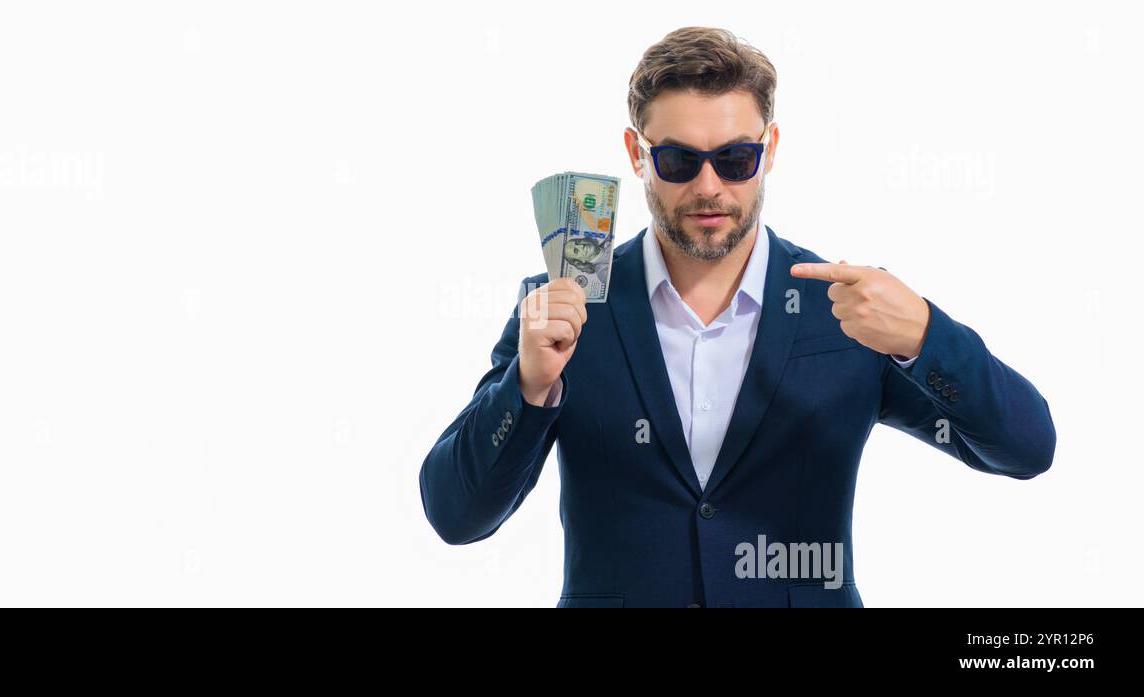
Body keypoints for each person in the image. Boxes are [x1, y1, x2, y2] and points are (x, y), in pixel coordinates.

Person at [419, 26, 1055, 608]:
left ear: (769, 149)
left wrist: (924, 334)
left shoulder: (847, 311)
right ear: (636, 155)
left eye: (734, 159)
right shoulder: (566, 308)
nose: (708, 187)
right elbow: (456, 515)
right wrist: (527, 388)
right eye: (677, 160)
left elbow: (1027, 448)